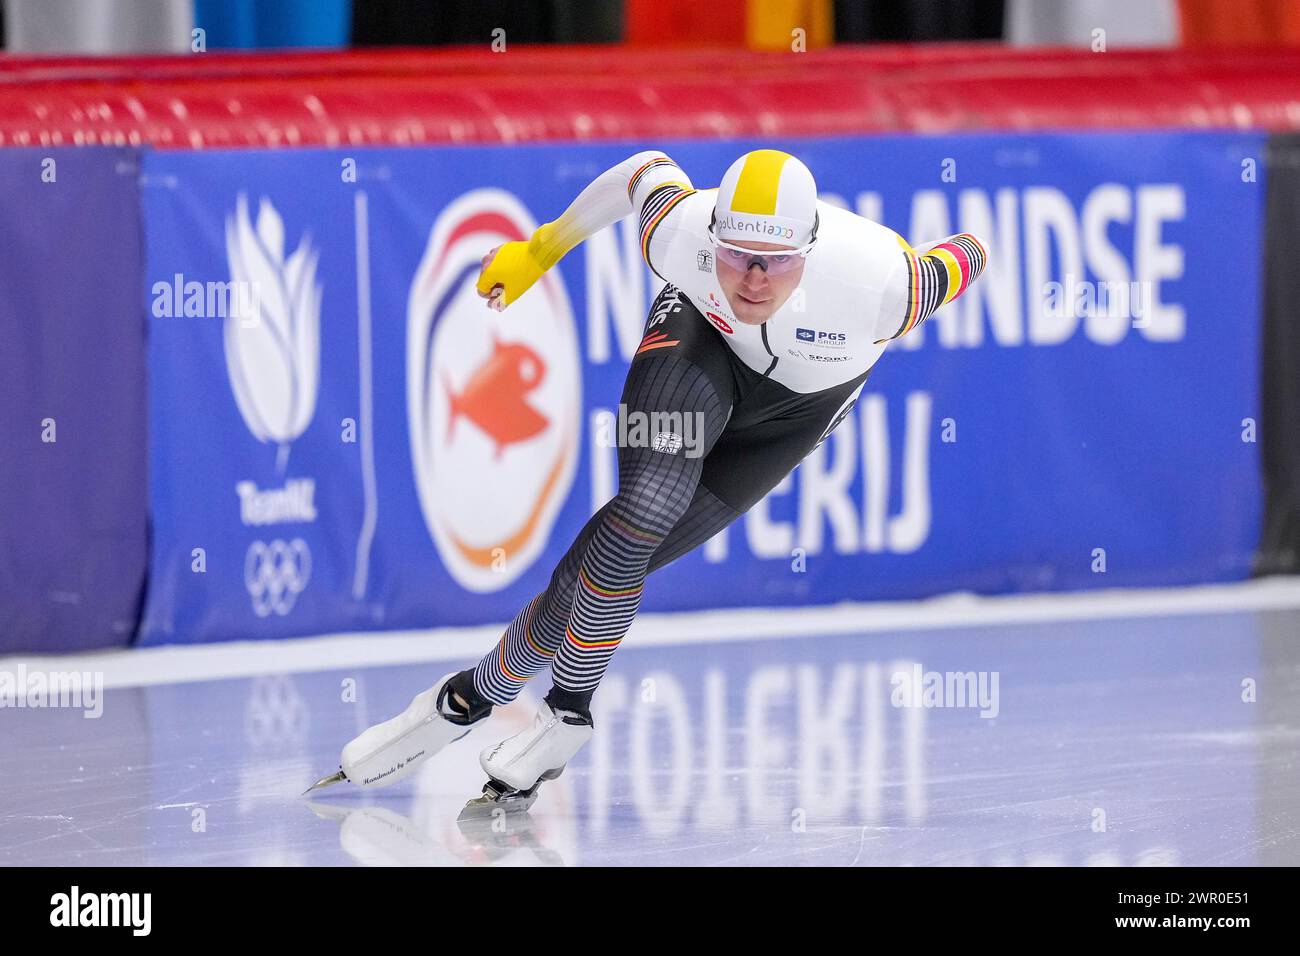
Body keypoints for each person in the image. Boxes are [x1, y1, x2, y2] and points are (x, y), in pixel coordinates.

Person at [310, 148, 988, 810]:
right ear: (713, 232)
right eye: (735, 254)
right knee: (643, 510)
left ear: (807, 253)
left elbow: (972, 250)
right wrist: (542, 250)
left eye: (775, 262)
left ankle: (466, 698)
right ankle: (568, 713)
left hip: (791, 416)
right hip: (700, 346)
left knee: (587, 576)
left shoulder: (887, 288)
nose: (751, 279)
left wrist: (931, 246)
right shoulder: (682, 230)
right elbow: (641, 170)